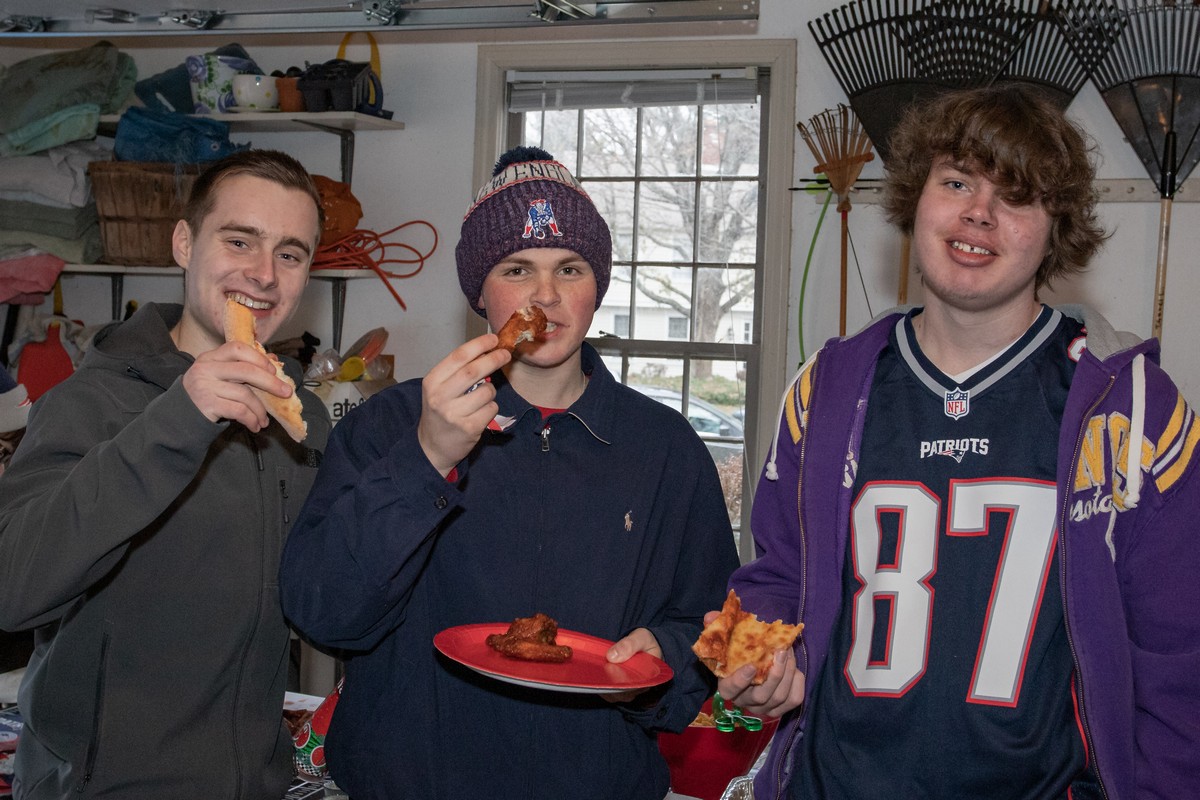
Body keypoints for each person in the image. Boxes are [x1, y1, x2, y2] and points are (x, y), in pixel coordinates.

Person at [716, 85, 1200, 800]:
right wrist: (753, 664)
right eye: (957, 182)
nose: (979, 212)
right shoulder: (827, 390)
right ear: (917, 197)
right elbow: (775, 576)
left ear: (1056, 229)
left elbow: (1177, 659)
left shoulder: (1132, 411)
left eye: (1017, 196)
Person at [279, 145, 739, 800]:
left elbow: (717, 628)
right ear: (480, 290)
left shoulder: (665, 450)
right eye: (517, 268)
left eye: (570, 268)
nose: (546, 295)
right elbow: (323, 612)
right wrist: (427, 457)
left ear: (597, 286)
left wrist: (666, 660)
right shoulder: (387, 428)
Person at [0, 149, 330, 799]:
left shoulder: (306, 419)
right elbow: (12, 583)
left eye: (290, 254)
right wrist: (179, 420)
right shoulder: (89, 404)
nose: (264, 274)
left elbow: (329, 593)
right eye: (240, 240)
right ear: (185, 242)